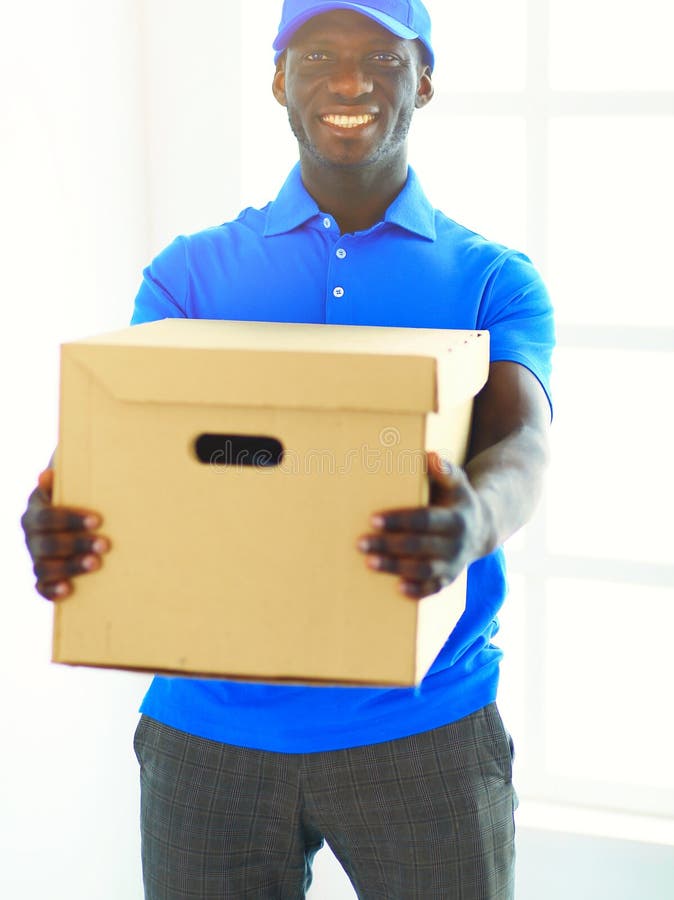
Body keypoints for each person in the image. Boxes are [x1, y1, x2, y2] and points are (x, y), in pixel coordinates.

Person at [21, 1, 554, 897]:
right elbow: (139, 447)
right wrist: (67, 515)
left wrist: (474, 521)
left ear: (423, 79)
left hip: (422, 726)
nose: (349, 81)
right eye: (317, 56)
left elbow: (522, 444)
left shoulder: (491, 277)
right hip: (208, 730)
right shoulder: (189, 275)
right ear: (278, 80)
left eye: (382, 59)